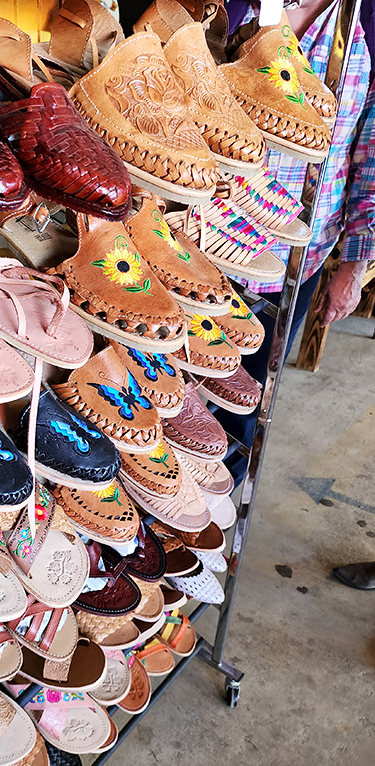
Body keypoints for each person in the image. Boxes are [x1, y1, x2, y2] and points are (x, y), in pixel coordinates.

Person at [218, 0, 375, 478]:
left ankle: (218, 513)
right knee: (172, 390)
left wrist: (355, 263)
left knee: (248, 396)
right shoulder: (236, 6)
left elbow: (371, 148)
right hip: (204, 239)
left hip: (298, 254)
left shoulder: (365, 20)